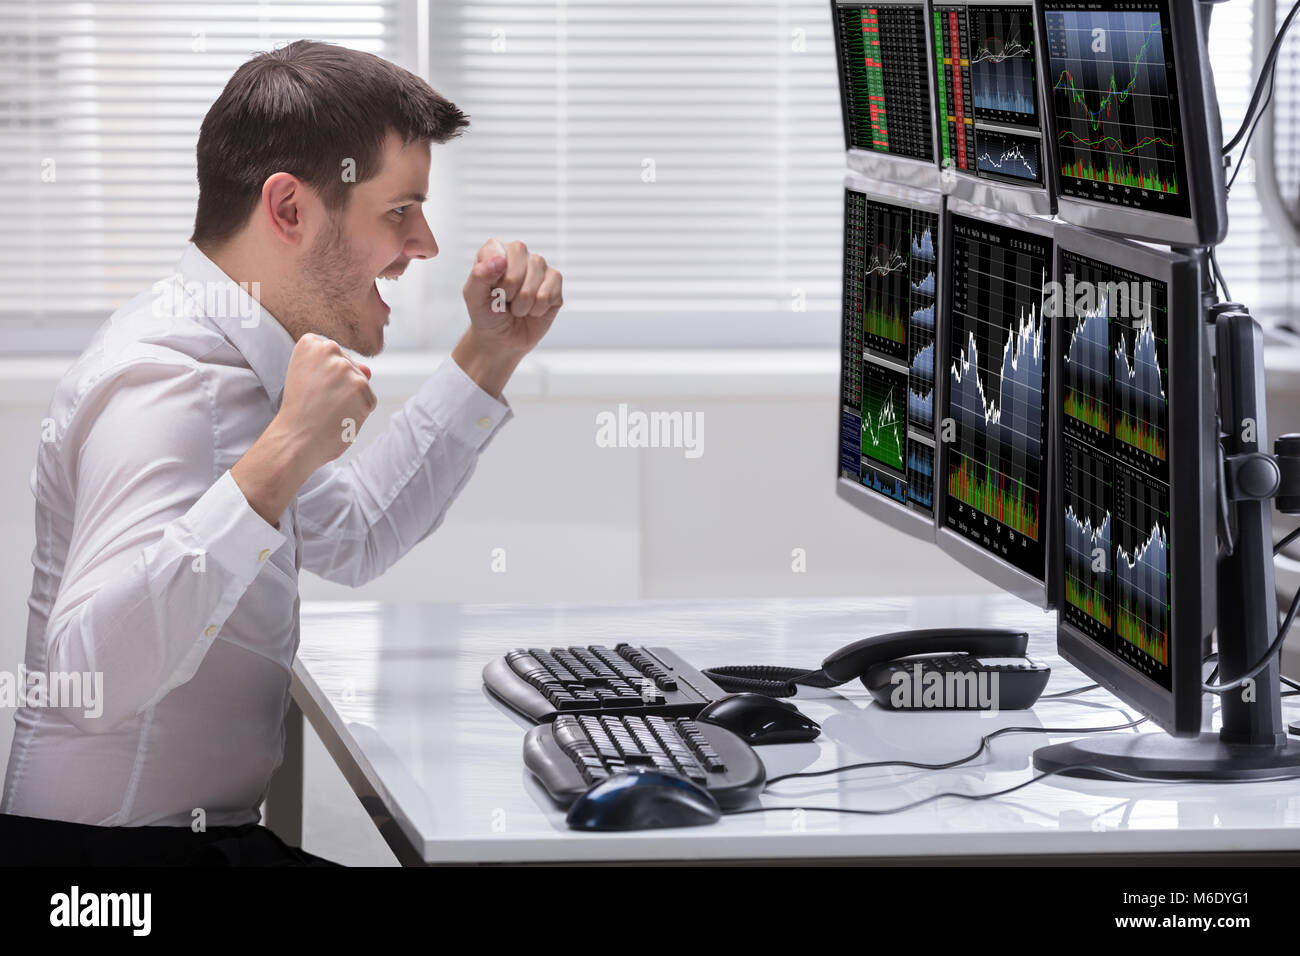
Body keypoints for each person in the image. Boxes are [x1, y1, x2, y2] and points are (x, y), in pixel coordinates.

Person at [0, 39, 562, 866]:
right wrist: (284, 452)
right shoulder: (169, 382)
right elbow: (89, 678)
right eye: (399, 213)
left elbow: (354, 533)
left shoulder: (244, 362)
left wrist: (491, 351)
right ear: (290, 211)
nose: (427, 244)